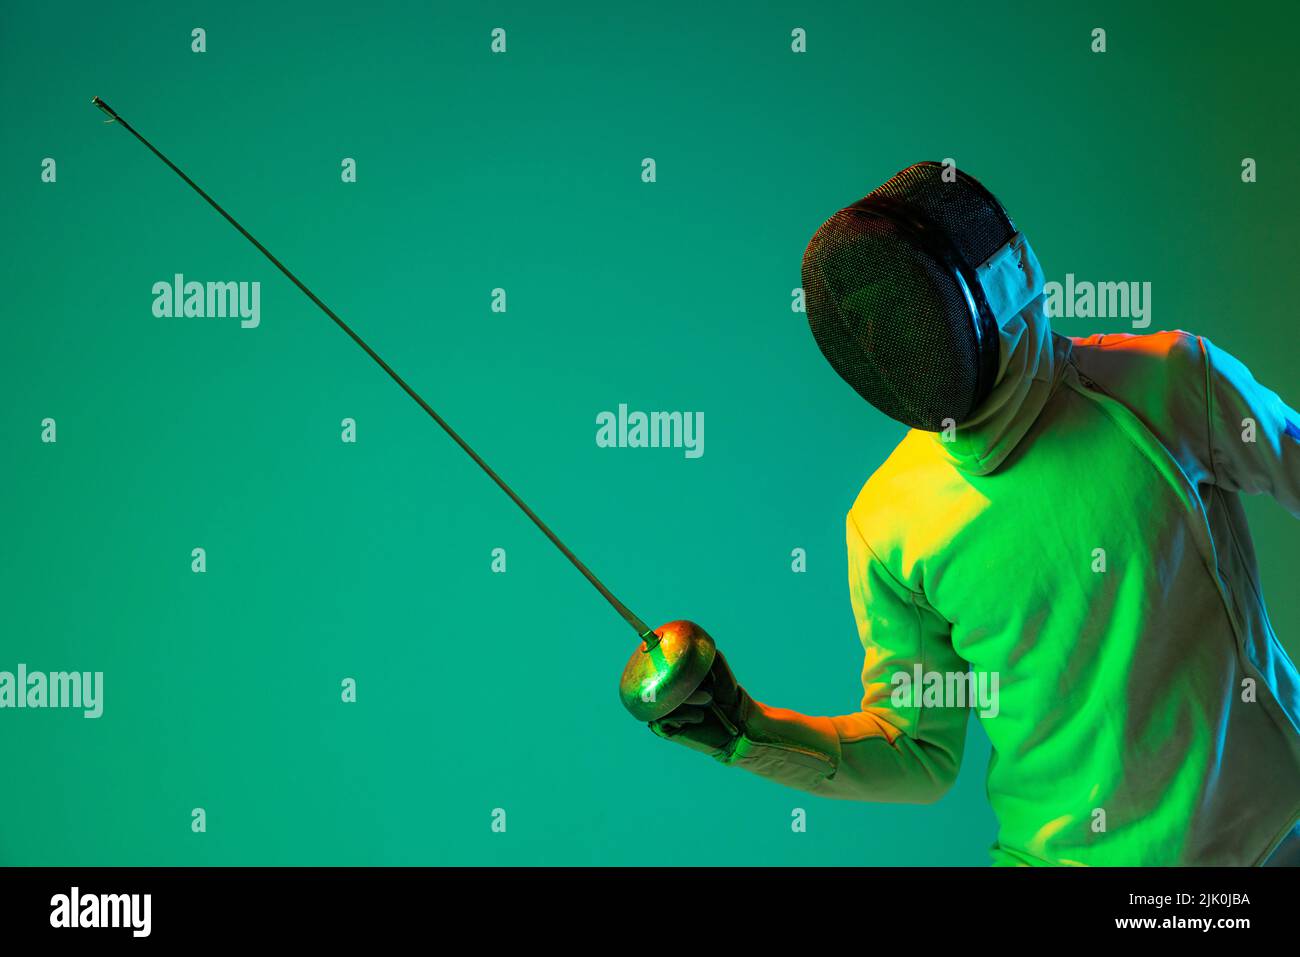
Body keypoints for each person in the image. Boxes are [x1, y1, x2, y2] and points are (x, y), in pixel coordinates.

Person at [643, 161, 1300, 866]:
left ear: (994, 281)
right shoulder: (888, 521)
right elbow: (915, 750)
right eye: (870, 321)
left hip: (1266, 842)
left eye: (907, 307)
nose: (888, 341)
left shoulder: (1167, 382)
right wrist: (747, 730)